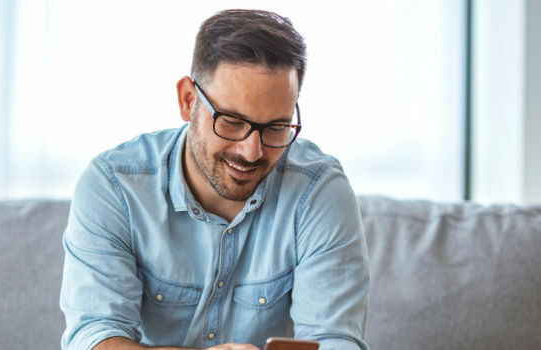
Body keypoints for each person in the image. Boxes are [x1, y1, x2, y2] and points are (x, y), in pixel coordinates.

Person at [60, 9, 369, 350]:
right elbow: (94, 336)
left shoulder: (318, 192)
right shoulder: (113, 186)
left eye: (276, 127)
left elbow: (335, 341)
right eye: (233, 121)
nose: (252, 152)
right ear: (188, 101)